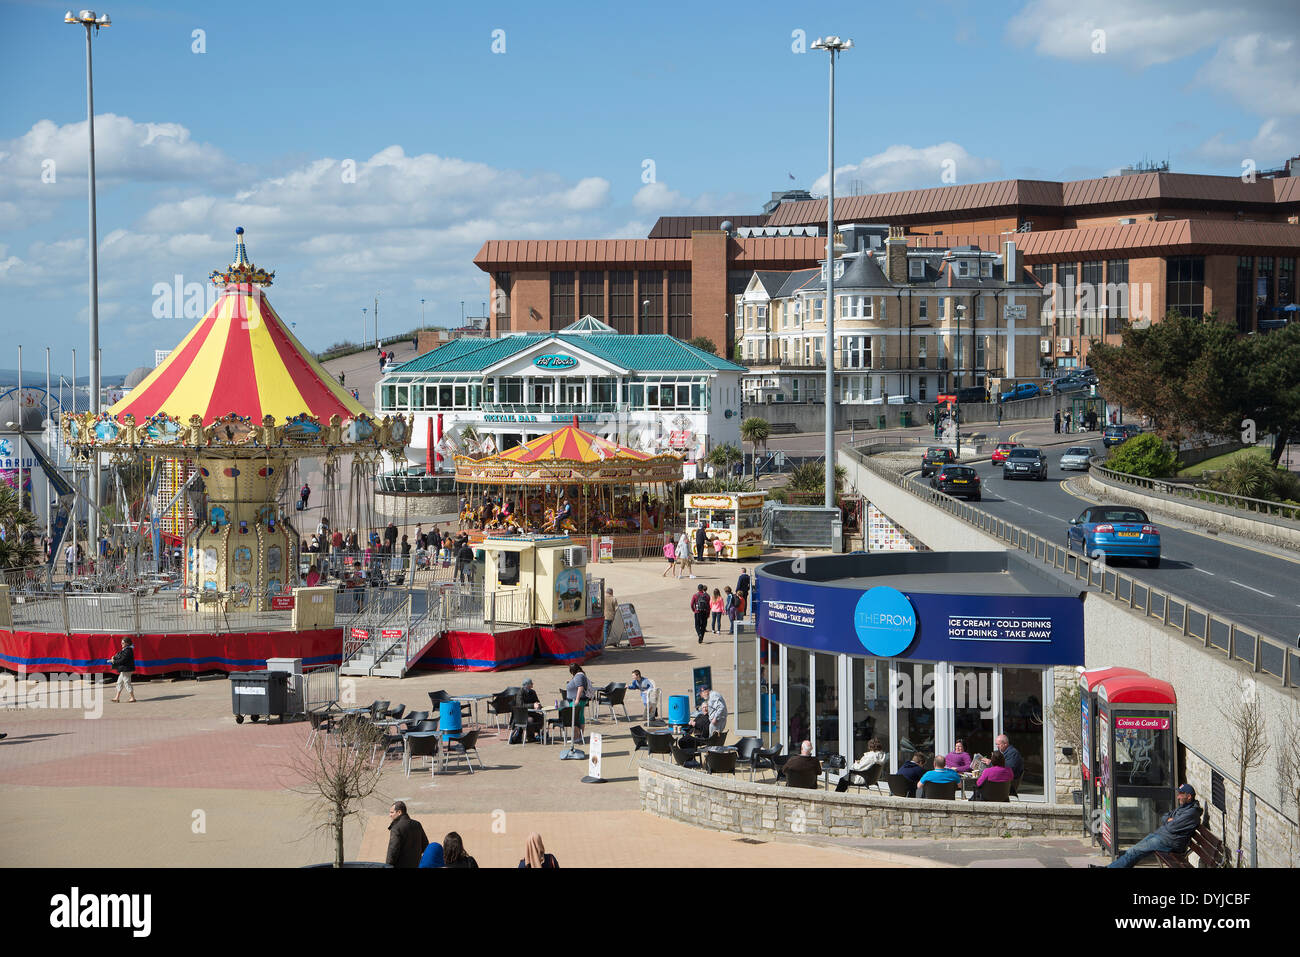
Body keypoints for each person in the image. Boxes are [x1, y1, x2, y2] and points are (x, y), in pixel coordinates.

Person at [1104, 784, 1203, 868]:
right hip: (1163, 836)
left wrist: (1169, 821)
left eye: (1181, 794)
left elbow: (1171, 827)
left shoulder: (1191, 813)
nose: (1178, 797)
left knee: (1134, 851)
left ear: (1189, 796)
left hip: (1170, 842)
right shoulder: (1184, 807)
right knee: (1133, 851)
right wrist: (1169, 820)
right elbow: (1165, 817)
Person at [386, 801, 429, 869]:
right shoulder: (417, 824)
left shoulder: (396, 828)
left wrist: (387, 865)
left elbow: (393, 851)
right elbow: (425, 845)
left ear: (399, 812)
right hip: (416, 865)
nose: (390, 815)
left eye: (392, 812)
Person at [108, 636, 136, 703]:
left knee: (127, 683)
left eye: (123, 643)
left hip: (126, 670)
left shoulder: (128, 650)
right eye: (121, 642)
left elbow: (123, 660)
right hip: (124, 669)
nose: (121, 644)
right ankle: (117, 698)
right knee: (119, 682)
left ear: (127, 643)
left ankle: (132, 697)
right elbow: (120, 656)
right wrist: (114, 658)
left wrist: (114, 661)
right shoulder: (126, 650)